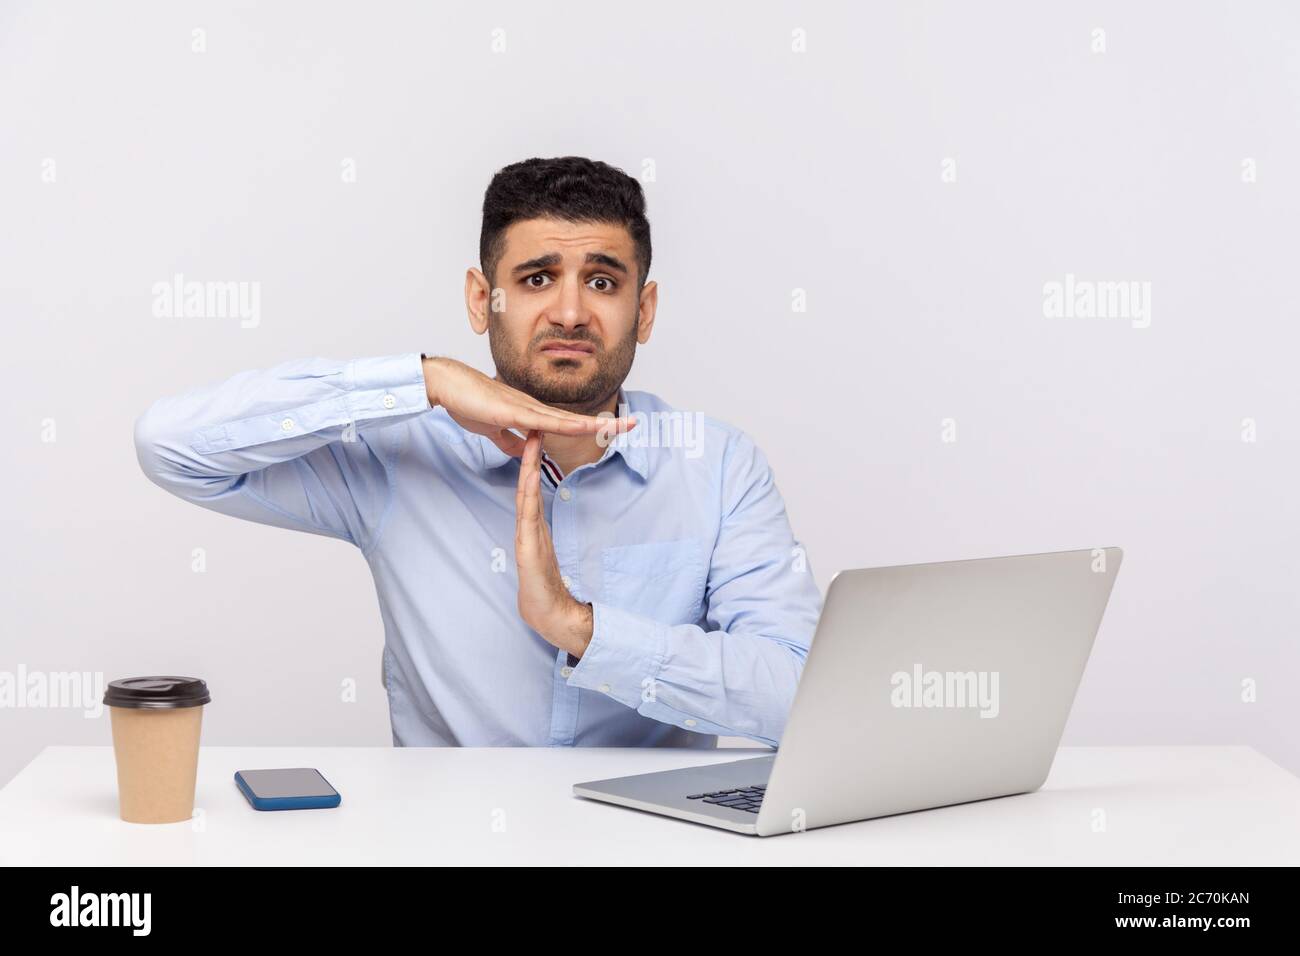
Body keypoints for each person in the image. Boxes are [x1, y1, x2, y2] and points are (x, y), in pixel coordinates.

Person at [134, 156, 822, 748]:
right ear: (480, 299)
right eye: (536, 279)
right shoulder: (400, 457)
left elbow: (796, 696)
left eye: (604, 282)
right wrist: (423, 378)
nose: (572, 313)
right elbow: (171, 445)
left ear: (643, 310)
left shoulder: (718, 465)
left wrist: (583, 629)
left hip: (652, 844)